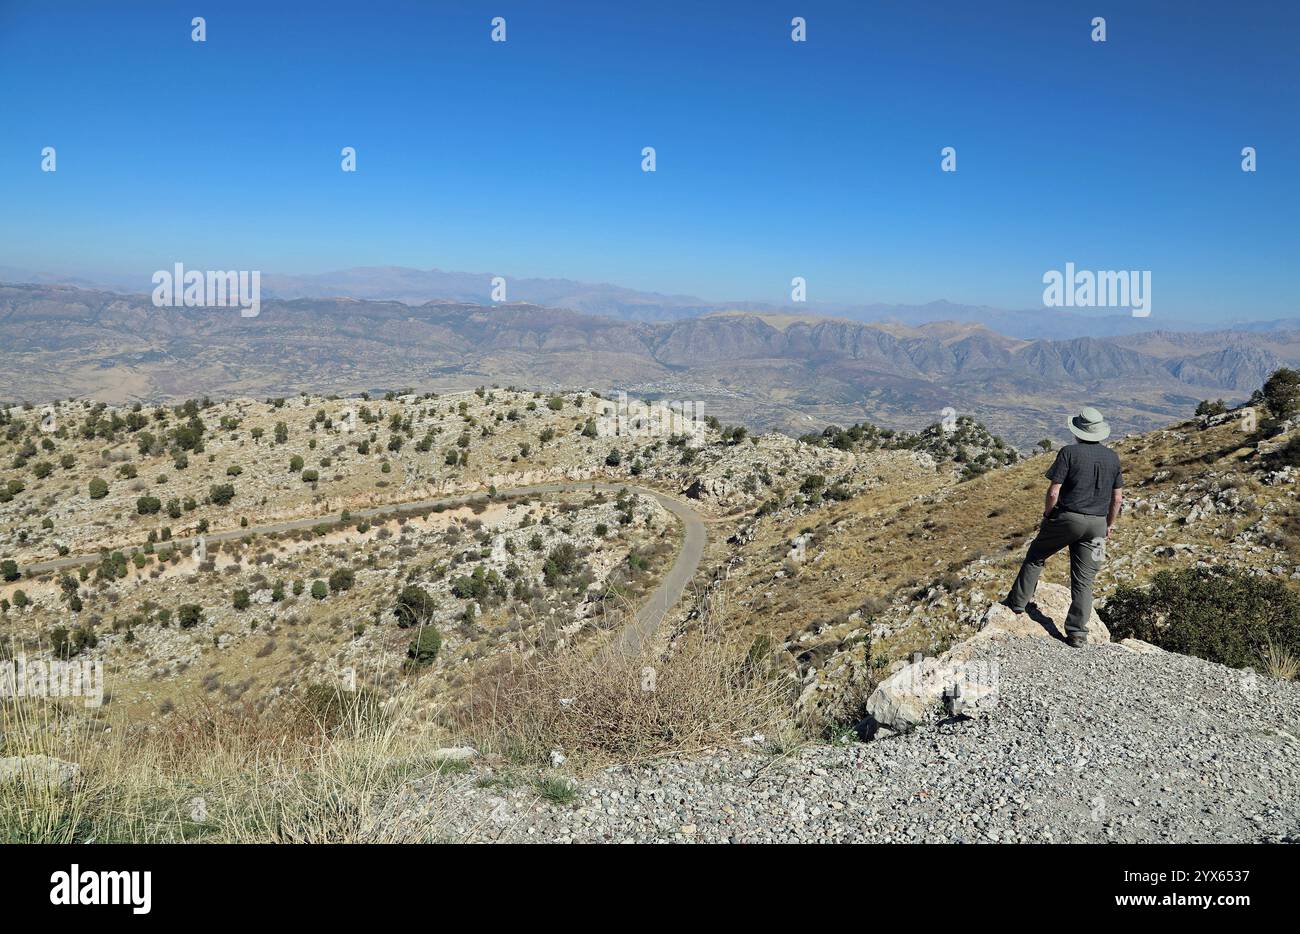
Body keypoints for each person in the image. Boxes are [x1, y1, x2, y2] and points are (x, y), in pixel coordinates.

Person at [1004, 407, 1123, 647]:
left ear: (1078, 431)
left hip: (1067, 519)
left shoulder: (1069, 453)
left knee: (1036, 556)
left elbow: (1053, 491)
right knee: (1085, 579)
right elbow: (1117, 499)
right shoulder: (1113, 458)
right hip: (1098, 526)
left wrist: (1048, 516)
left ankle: (1017, 604)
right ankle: (1077, 632)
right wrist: (1109, 526)